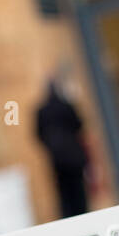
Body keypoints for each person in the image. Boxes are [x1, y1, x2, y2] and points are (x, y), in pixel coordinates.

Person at [35, 75, 90, 218]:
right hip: (73, 157)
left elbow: (38, 134)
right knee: (78, 192)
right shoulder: (65, 106)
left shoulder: (42, 111)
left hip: (57, 159)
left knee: (65, 194)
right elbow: (79, 125)